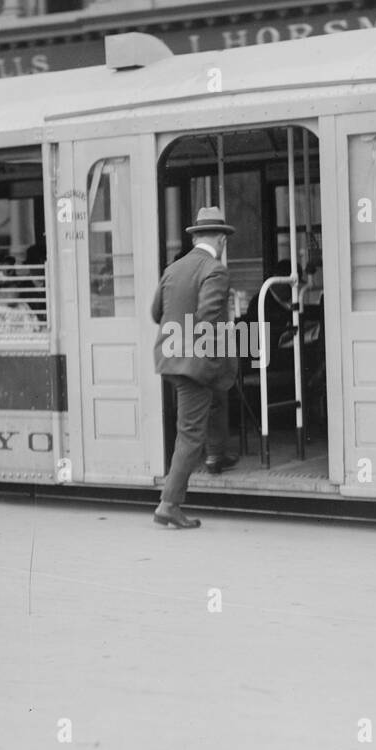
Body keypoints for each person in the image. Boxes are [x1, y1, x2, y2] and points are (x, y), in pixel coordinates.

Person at [150, 206, 239, 529]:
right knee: (190, 435)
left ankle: (176, 494)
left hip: (170, 358)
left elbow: (155, 311)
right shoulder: (214, 270)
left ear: (196, 236)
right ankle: (169, 504)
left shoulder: (173, 268)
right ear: (220, 239)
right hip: (194, 363)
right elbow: (209, 317)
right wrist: (216, 363)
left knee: (188, 428)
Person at [0, 255, 41, 335]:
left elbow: (39, 331)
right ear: (0, 289)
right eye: (13, 284)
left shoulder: (22, 306)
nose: (18, 289)